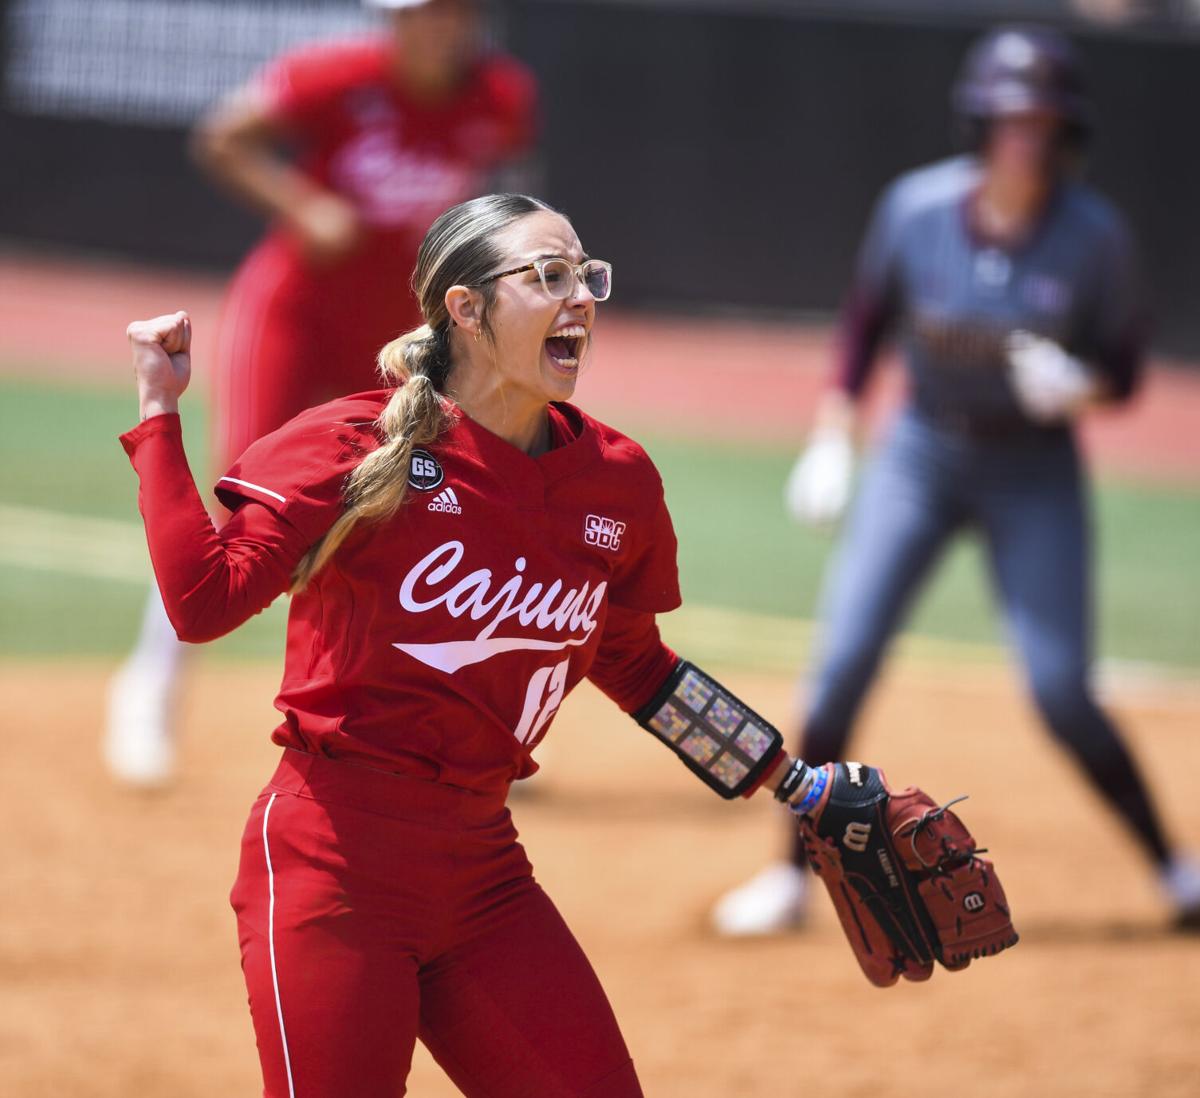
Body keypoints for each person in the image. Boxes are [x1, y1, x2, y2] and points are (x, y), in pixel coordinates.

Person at [119, 193, 829, 1096]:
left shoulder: (615, 482)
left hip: (485, 877)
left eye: (587, 277)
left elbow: (636, 665)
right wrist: (159, 414)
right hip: (335, 864)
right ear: (466, 307)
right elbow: (202, 600)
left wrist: (796, 785)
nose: (581, 300)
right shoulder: (357, 445)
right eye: (550, 276)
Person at [710, 25, 1200, 936]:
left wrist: (1079, 386)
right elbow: (865, 326)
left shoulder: (1094, 239)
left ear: (1066, 130)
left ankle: (1175, 869)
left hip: (1032, 469)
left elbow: (1128, 369)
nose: (1025, 135)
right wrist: (833, 435)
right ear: (981, 120)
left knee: (1060, 688)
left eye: (1043, 119)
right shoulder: (917, 209)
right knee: (843, 663)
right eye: (1010, 116)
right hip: (923, 452)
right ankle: (787, 879)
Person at [106, 0, 538, 786]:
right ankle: (150, 692)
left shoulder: (499, 96)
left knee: (426, 508)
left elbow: (500, 190)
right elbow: (223, 137)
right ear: (395, 21)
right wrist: (303, 205)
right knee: (243, 498)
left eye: (456, 12)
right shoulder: (337, 76)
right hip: (296, 311)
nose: (442, 27)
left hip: (402, 329)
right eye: (424, 14)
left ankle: (435, 724)